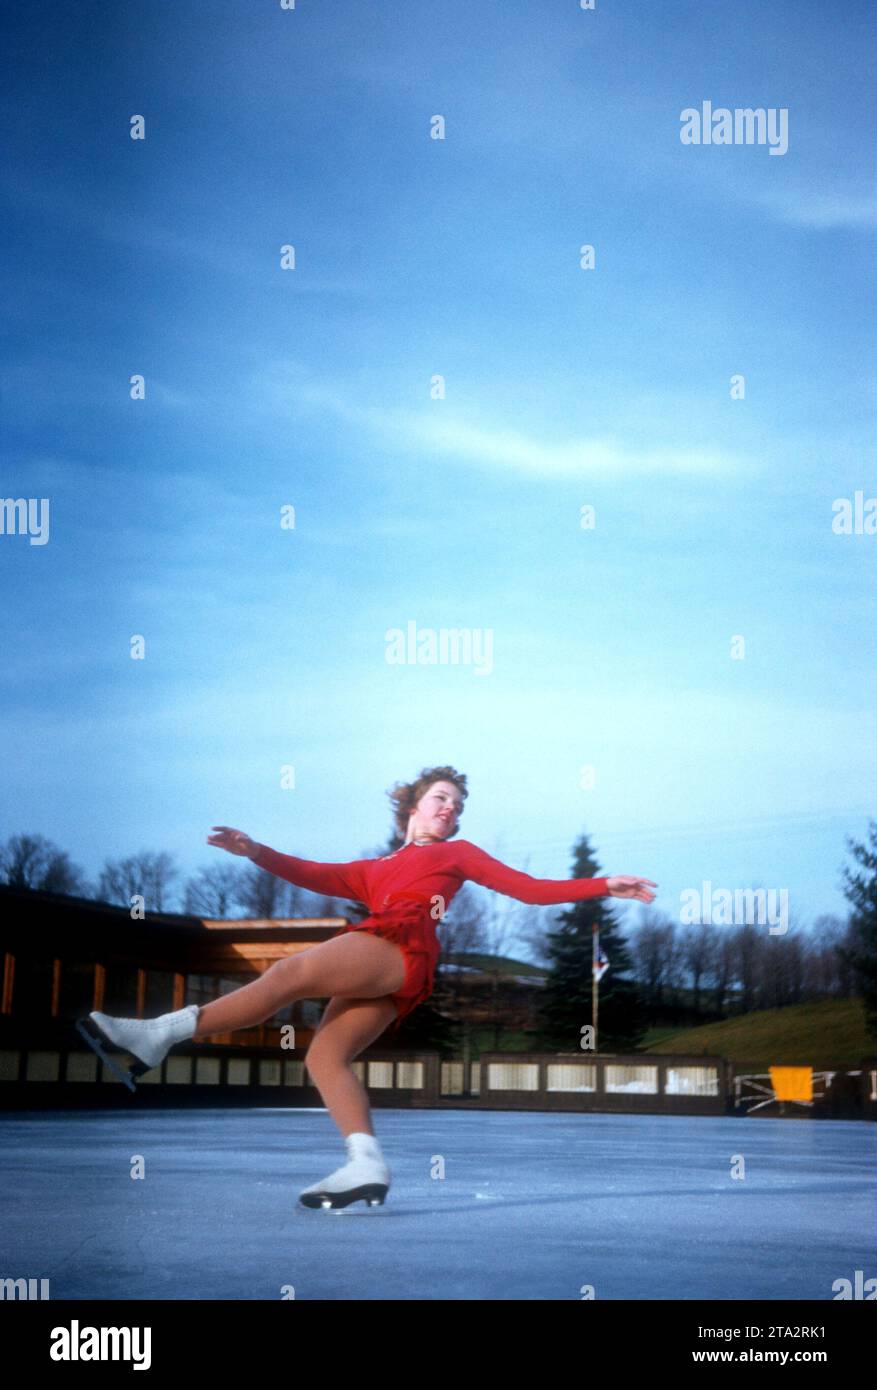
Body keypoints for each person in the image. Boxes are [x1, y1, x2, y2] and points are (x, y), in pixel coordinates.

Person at [80, 765, 656, 1209]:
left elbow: (528, 889)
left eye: (457, 806)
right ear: (411, 804)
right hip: (390, 971)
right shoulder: (377, 868)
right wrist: (256, 851)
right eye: (440, 799)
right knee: (324, 1057)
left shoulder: (458, 854)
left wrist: (605, 884)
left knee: (288, 974)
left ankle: (158, 1034)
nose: (450, 810)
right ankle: (366, 1164)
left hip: (400, 947)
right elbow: (314, 872)